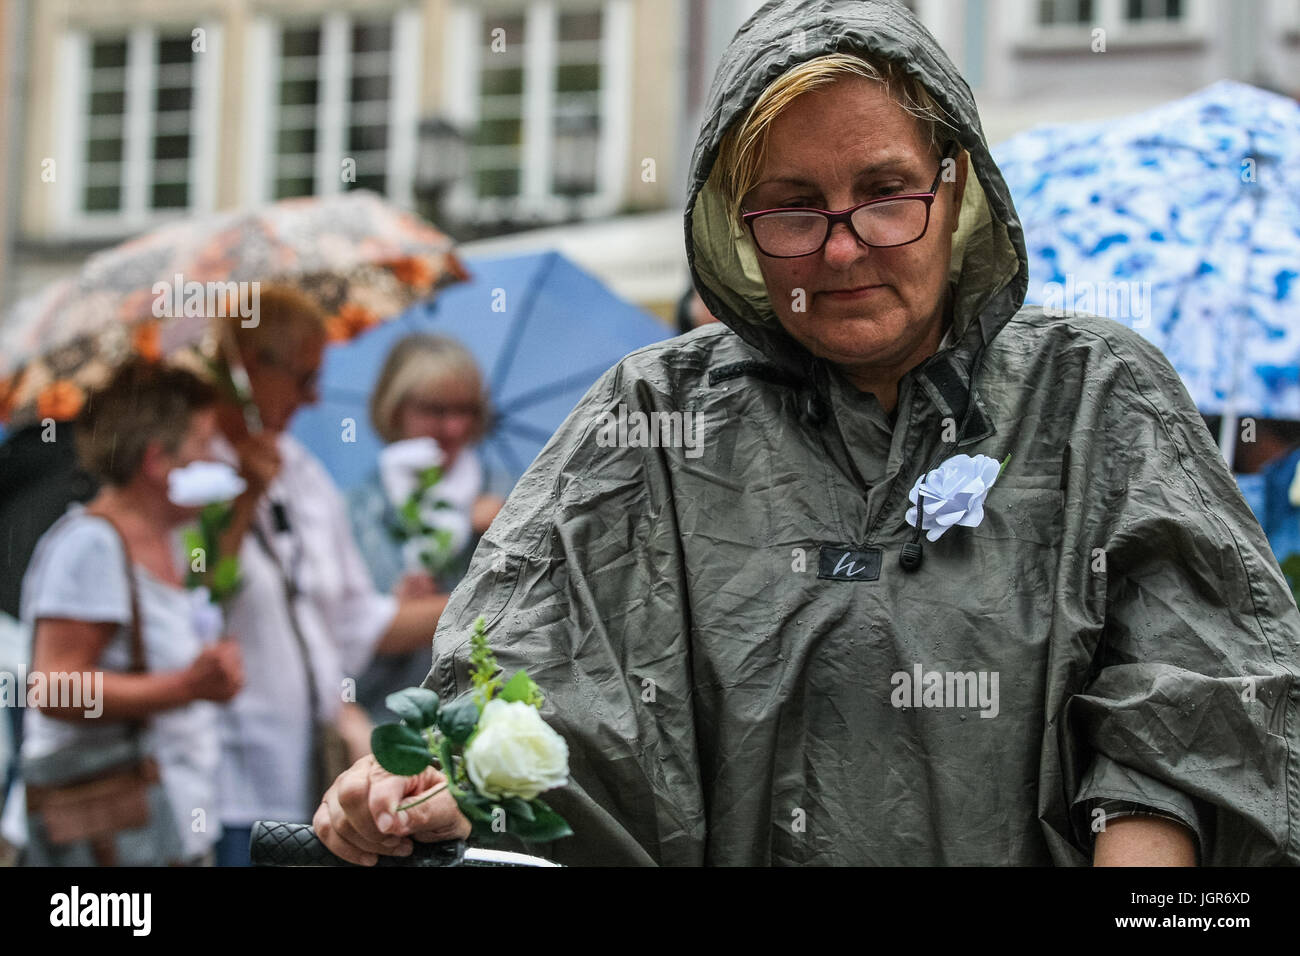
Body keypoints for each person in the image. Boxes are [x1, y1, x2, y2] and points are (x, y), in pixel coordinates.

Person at [315, 0, 1300, 866]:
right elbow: (525, 691)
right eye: (792, 207)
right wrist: (432, 784)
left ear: (952, 189)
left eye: (883, 192)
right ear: (736, 224)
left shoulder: (1095, 395)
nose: (841, 247)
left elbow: (1196, 697)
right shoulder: (649, 424)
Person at [206, 287, 450, 866]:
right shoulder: (189, 468)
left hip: (307, 778)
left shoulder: (303, 471)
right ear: (246, 366)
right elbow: (190, 602)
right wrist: (241, 504)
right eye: (303, 377)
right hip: (222, 787)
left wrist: (480, 605)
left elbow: (353, 620)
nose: (314, 399)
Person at [1, 359, 244, 865]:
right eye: (203, 443)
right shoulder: (90, 545)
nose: (219, 456)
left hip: (164, 831)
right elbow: (52, 687)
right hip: (102, 840)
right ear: (158, 462)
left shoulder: (172, 541)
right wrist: (186, 687)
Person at [346, 334, 506, 724]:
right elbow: (355, 637)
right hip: (391, 725)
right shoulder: (359, 510)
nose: (454, 427)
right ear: (394, 410)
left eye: (466, 410)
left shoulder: (510, 495)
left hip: (491, 722)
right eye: (435, 410)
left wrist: (503, 541)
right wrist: (395, 610)